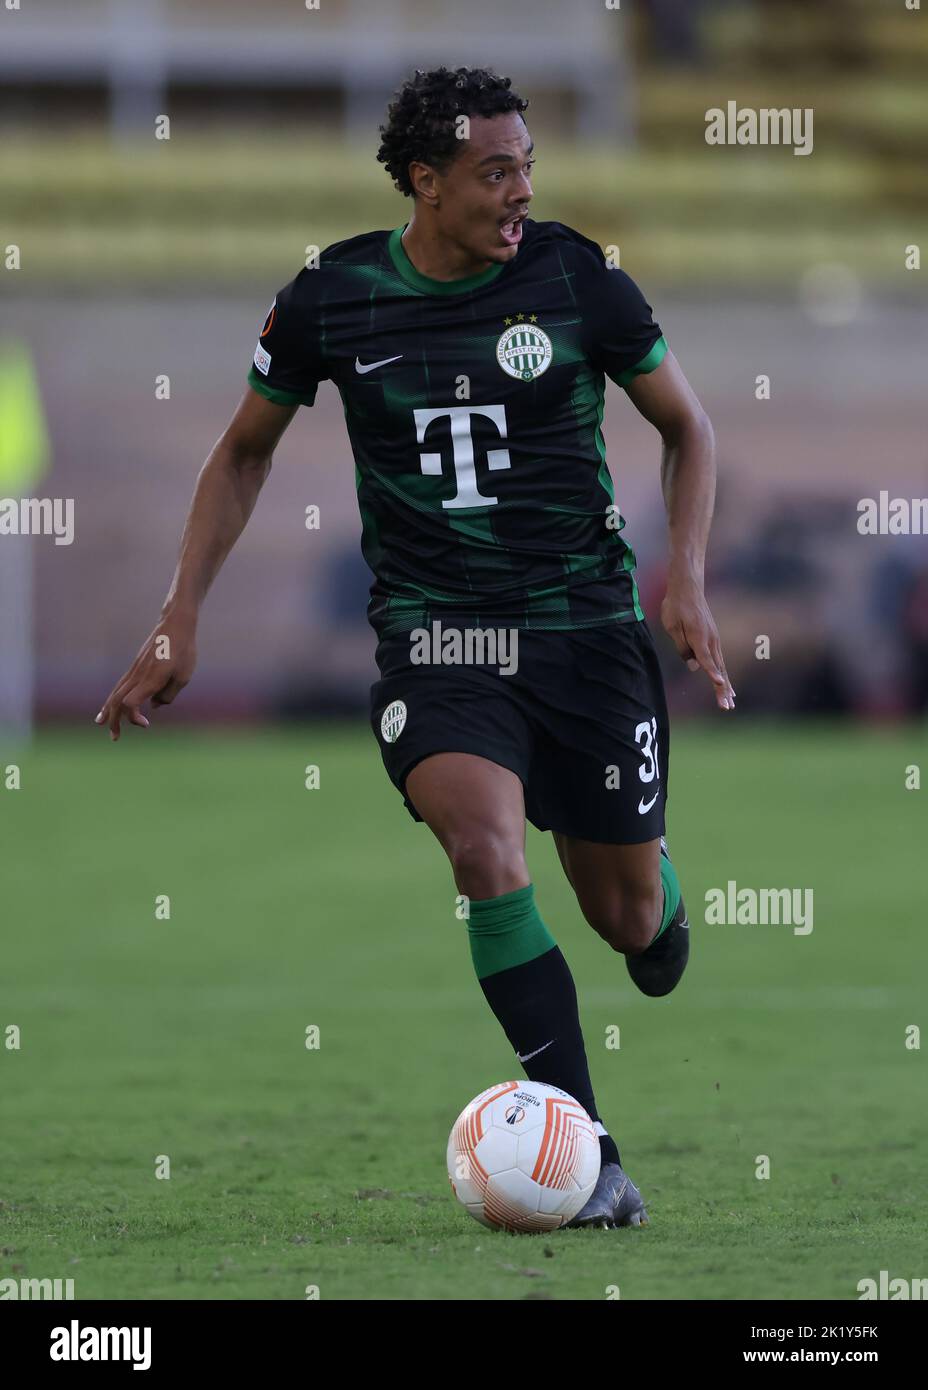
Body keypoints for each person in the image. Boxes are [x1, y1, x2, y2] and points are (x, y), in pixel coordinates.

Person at [95, 65, 734, 1230]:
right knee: (486, 849)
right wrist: (180, 607)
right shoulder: (331, 298)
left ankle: (657, 896)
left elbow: (687, 428)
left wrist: (681, 577)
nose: (520, 193)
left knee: (628, 919)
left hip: (585, 631)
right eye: (497, 172)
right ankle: (586, 1157)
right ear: (426, 183)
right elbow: (243, 452)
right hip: (437, 638)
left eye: (528, 166)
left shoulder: (576, 276)